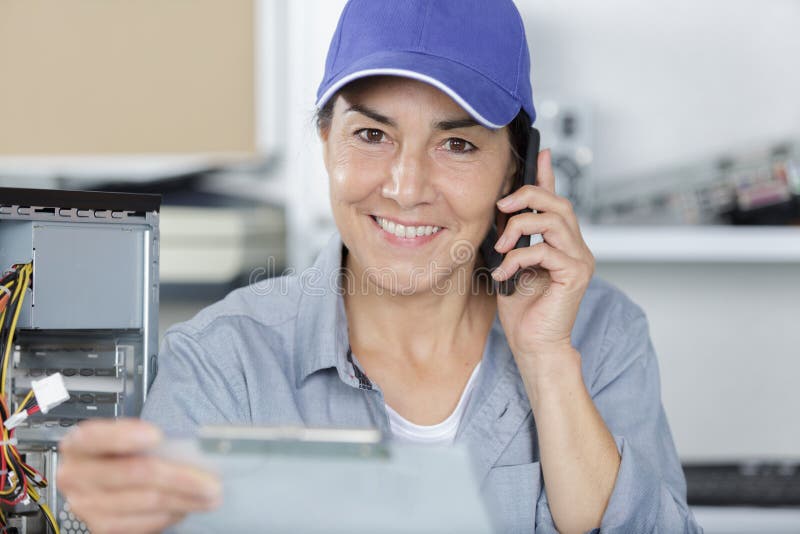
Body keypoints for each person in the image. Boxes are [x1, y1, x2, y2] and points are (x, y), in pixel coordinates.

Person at [56, 1, 703, 533]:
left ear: (519, 168)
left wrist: (547, 359)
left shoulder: (603, 336)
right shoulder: (223, 362)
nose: (405, 185)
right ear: (326, 141)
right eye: (372, 135)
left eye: (456, 143)